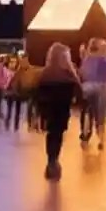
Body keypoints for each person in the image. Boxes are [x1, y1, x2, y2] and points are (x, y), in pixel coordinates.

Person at [36, 43, 80, 180]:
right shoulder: (69, 74)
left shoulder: (45, 73)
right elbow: (79, 92)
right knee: (58, 134)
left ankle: (51, 160)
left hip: (48, 109)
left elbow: (38, 94)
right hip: (62, 109)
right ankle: (54, 160)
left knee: (51, 134)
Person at [79, 38, 106, 149]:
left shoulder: (88, 58)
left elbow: (83, 73)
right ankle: (101, 139)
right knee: (100, 116)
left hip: (87, 88)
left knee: (88, 112)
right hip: (102, 89)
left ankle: (85, 134)